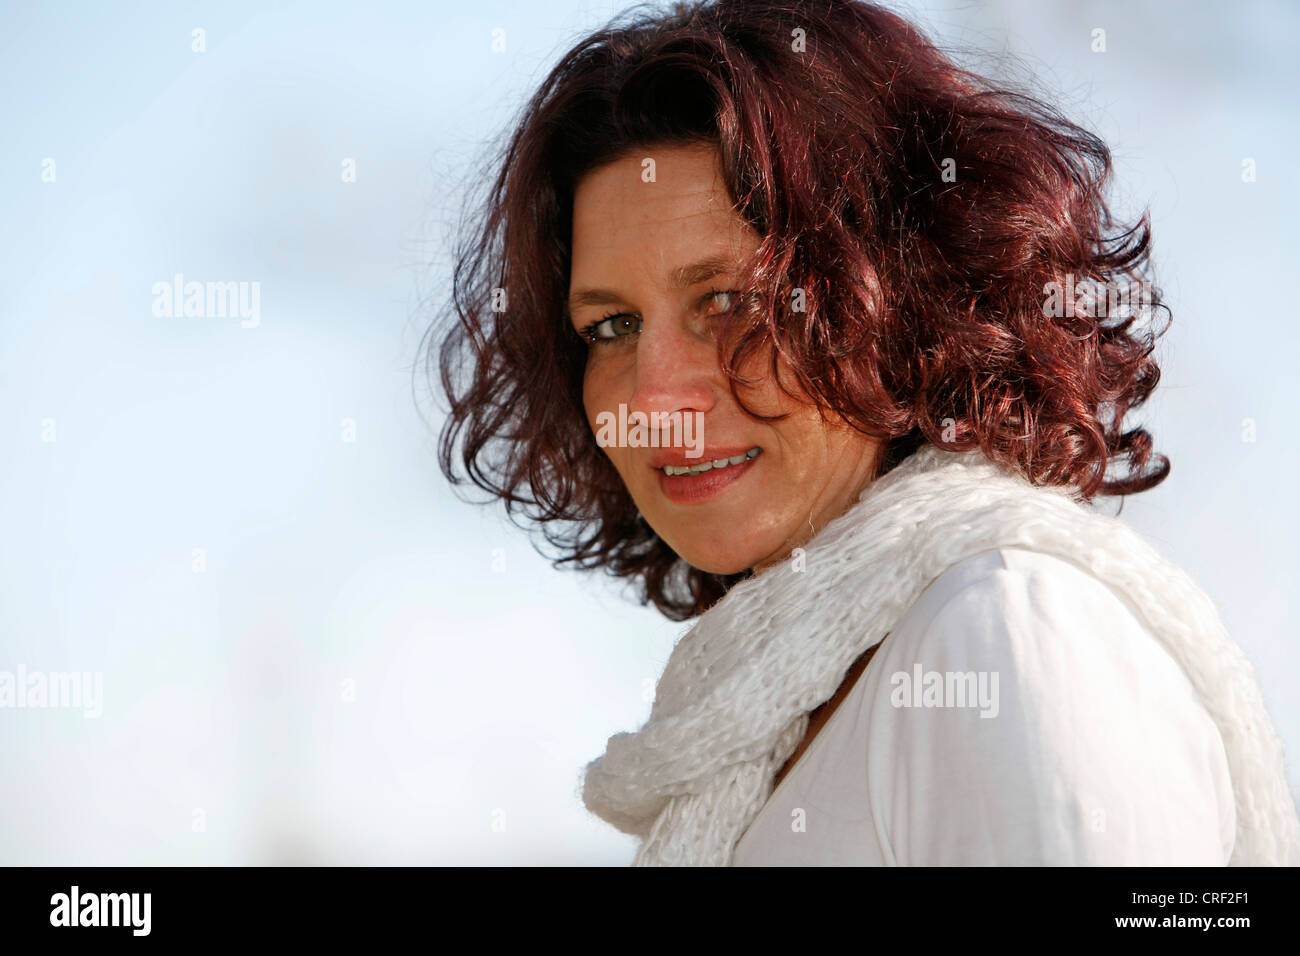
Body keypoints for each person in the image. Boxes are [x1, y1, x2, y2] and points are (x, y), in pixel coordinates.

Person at [427, 0, 1300, 865]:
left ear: (907, 303)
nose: (655, 395)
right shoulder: (774, 709)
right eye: (611, 327)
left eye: (731, 302)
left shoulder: (1003, 630)